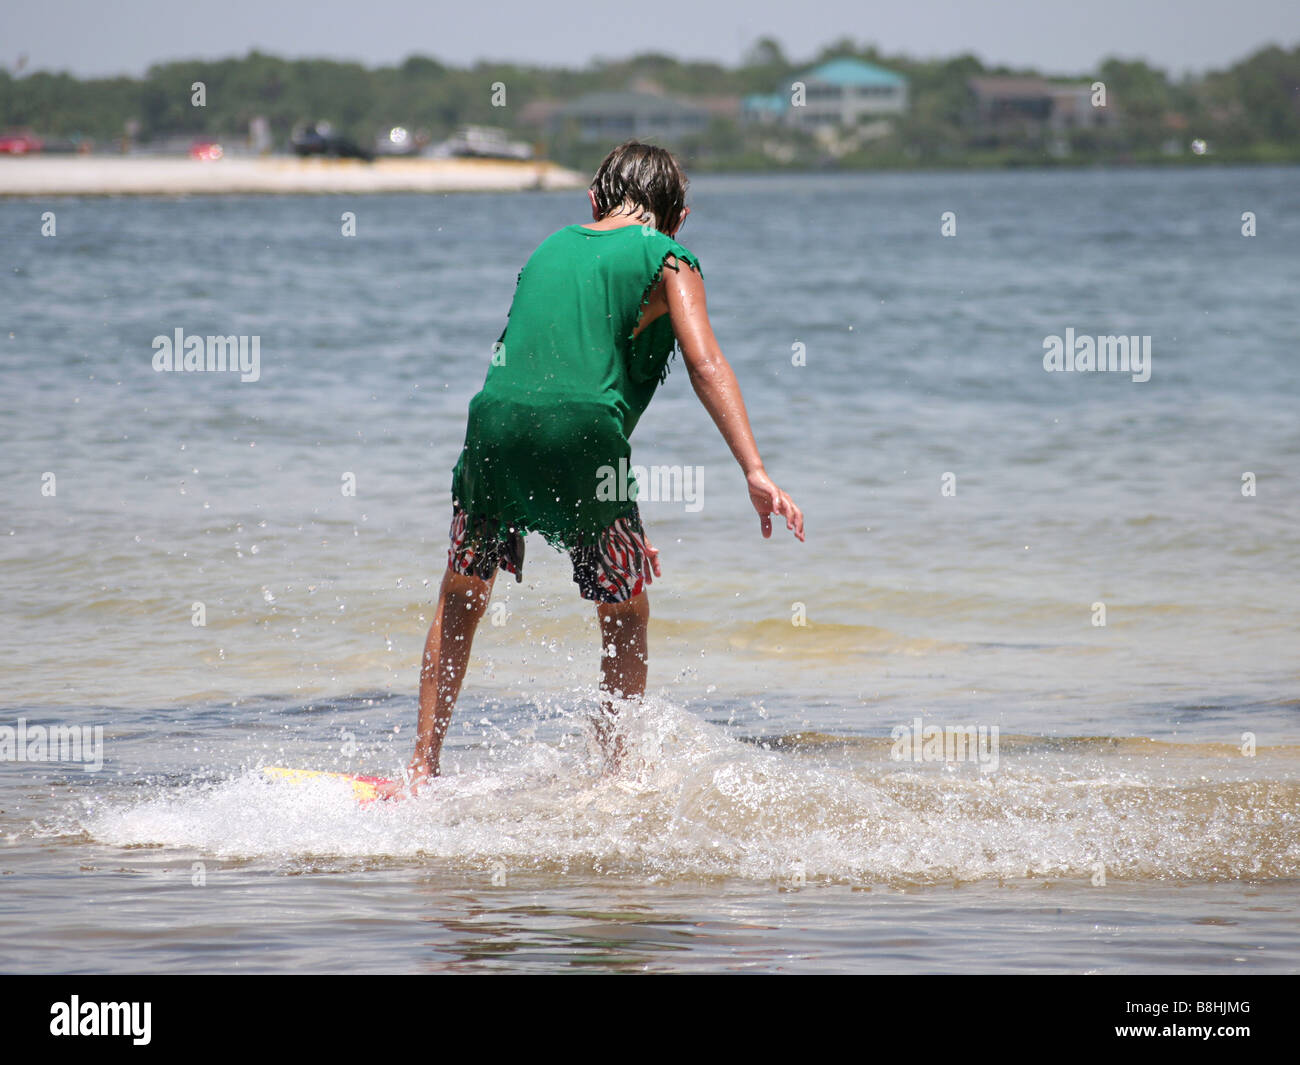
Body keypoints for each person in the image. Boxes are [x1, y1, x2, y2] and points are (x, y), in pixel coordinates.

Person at [390, 140, 803, 796]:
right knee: (624, 613)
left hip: (492, 423)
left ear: (593, 201)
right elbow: (704, 364)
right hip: (587, 438)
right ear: (681, 216)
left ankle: (419, 769)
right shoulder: (670, 256)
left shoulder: (549, 247)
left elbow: (540, 366)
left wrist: (611, 514)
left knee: (463, 593)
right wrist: (753, 468)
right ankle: (617, 775)